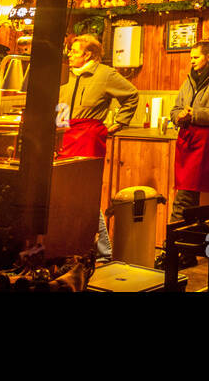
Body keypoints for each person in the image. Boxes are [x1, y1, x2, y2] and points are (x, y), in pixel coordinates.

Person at [56, 34, 139, 261]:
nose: (69, 54)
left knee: (85, 195)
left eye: (74, 51)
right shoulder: (69, 76)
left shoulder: (105, 74)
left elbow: (131, 95)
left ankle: (104, 251)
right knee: (65, 195)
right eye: (70, 50)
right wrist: (58, 131)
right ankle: (75, 247)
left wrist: (119, 122)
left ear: (88, 54)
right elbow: (62, 104)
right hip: (66, 137)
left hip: (89, 137)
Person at [166, 40, 209, 267]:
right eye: (191, 57)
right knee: (188, 201)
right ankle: (184, 252)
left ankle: (177, 254)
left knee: (184, 200)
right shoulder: (188, 80)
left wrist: (195, 113)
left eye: (195, 57)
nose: (191, 60)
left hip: (206, 145)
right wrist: (178, 116)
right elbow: (175, 108)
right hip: (187, 142)